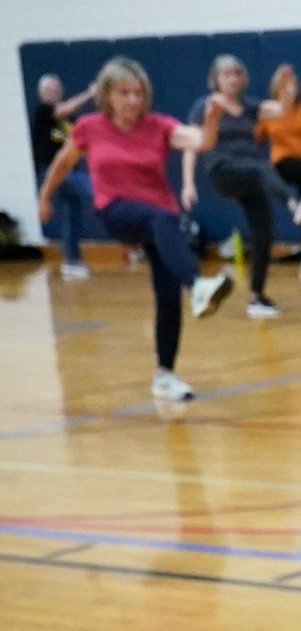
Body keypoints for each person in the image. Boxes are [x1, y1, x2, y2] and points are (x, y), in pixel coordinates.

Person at [36, 58, 230, 399]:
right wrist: (45, 197)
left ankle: (165, 375)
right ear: (108, 95)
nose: (133, 100)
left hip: (161, 220)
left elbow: (201, 141)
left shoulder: (159, 126)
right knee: (161, 219)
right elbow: (62, 163)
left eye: (139, 93)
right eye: (124, 93)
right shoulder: (89, 127)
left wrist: (212, 121)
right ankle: (197, 284)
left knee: (168, 295)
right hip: (116, 211)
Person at [183, 55, 288, 317]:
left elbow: (280, 110)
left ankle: (257, 297)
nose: (233, 79)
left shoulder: (249, 107)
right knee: (261, 166)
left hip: (249, 176)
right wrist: (187, 184)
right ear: (216, 79)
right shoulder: (206, 106)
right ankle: (294, 203)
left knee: (264, 231)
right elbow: (191, 145)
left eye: (237, 74)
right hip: (224, 172)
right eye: (227, 74)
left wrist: (281, 87)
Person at [257, 64, 301, 279]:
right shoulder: (268, 112)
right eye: (284, 85)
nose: (289, 89)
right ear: (276, 88)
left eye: (292, 84)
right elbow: (255, 139)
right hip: (283, 161)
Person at [29, 72, 96, 279]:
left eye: (56, 89)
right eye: (49, 90)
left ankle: (71, 261)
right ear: (42, 94)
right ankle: (134, 239)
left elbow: (79, 145)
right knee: (94, 188)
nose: (54, 92)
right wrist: (90, 93)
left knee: (71, 215)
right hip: (54, 171)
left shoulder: (70, 120)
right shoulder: (43, 111)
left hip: (71, 168)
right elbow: (64, 108)